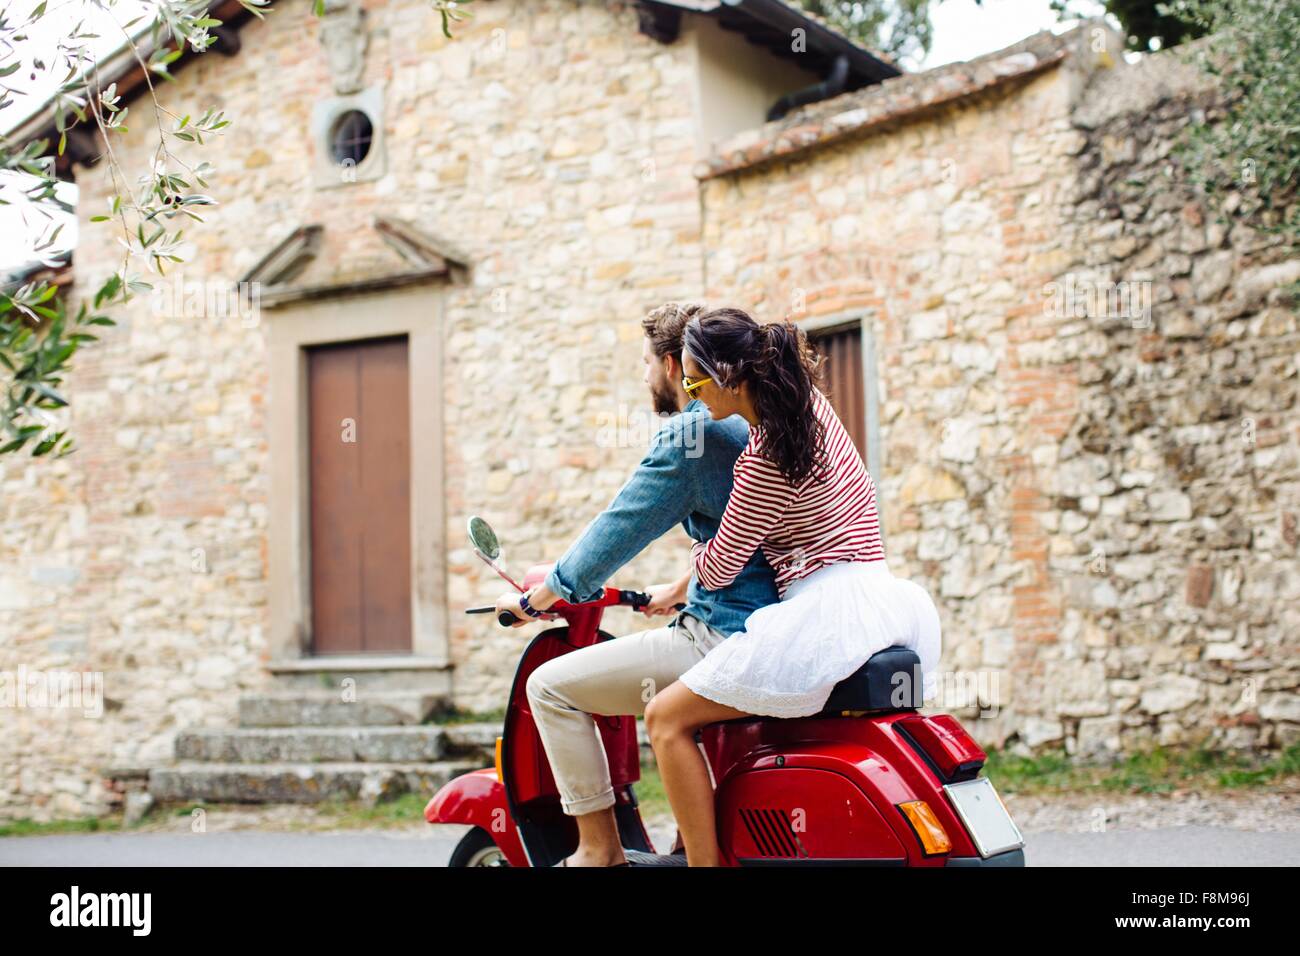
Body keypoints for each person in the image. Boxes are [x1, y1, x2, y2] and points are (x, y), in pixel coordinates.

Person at [643, 306, 942, 867]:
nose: (689, 393)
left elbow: (720, 569)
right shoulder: (809, 407)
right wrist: (680, 584)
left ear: (728, 376)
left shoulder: (762, 460)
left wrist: (692, 557)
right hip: (880, 599)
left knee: (664, 718)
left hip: (823, 618)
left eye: (693, 380)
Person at [493, 301, 780, 867]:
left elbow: (615, 532)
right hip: (774, 620)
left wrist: (536, 599)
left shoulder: (689, 437)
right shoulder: (749, 415)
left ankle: (598, 850)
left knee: (549, 688)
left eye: (646, 362)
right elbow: (745, 532)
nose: (644, 376)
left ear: (674, 365)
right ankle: (682, 841)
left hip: (723, 634)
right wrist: (677, 589)